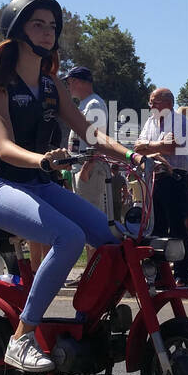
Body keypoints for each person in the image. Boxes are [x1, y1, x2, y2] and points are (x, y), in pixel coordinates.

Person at [0, 0, 138, 373]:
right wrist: (43, 159)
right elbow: (4, 146)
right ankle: (21, 338)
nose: (47, 33)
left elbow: (89, 133)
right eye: (37, 25)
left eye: (52, 26)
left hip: (38, 183)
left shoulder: (51, 86)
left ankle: (91, 323)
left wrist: (132, 157)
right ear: (17, 32)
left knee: (115, 239)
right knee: (69, 237)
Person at [132, 87, 188, 285]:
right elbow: (136, 147)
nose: (151, 106)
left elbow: (171, 147)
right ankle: (158, 274)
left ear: (168, 103)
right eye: (150, 102)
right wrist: (156, 147)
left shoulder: (181, 121)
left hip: (173, 177)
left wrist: (148, 146)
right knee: (155, 229)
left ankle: (182, 275)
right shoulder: (150, 122)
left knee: (176, 228)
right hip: (153, 178)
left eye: (155, 102)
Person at [65, 66, 112, 250]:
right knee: (84, 221)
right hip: (81, 167)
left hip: (89, 170)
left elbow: (97, 139)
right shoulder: (85, 104)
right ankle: (91, 271)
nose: (68, 87)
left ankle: (96, 272)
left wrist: (87, 167)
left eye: (69, 83)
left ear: (78, 81)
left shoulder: (94, 104)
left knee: (90, 220)